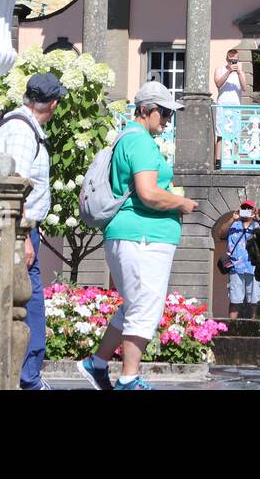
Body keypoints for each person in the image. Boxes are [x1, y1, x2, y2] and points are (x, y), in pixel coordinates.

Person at [77, 80, 198, 390]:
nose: (169, 120)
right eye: (165, 114)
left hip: (132, 234)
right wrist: (181, 203)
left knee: (134, 305)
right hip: (143, 236)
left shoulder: (127, 139)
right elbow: (148, 193)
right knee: (145, 307)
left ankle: (97, 363)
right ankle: (128, 378)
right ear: (146, 111)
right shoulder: (140, 142)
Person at [0, 72, 67, 391]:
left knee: (29, 301)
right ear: (51, 104)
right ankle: (28, 377)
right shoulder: (23, 131)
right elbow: (16, 184)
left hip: (24, 229)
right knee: (32, 303)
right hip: (21, 231)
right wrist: (24, 236)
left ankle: (28, 375)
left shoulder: (21, 125)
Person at [219, 200, 260, 319]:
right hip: (235, 268)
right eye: (244, 208)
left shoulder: (258, 226)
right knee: (234, 301)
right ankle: (231, 328)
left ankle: (254, 330)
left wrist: (258, 218)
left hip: (254, 268)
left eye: (249, 208)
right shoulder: (234, 225)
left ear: (253, 210)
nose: (246, 210)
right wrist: (232, 219)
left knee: (255, 302)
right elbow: (221, 233)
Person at [214, 48, 247, 165]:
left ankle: (235, 159)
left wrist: (238, 73)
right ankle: (218, 160)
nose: (233, 63)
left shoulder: (240, 73)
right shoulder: (219, 70)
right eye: (231, 60)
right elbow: (218, 84)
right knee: (220, 133)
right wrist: (228, 72)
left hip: (236, 107)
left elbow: (244, 88)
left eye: (236, 60)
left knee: (236, 134)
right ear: (227, 59)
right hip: (222, 105)